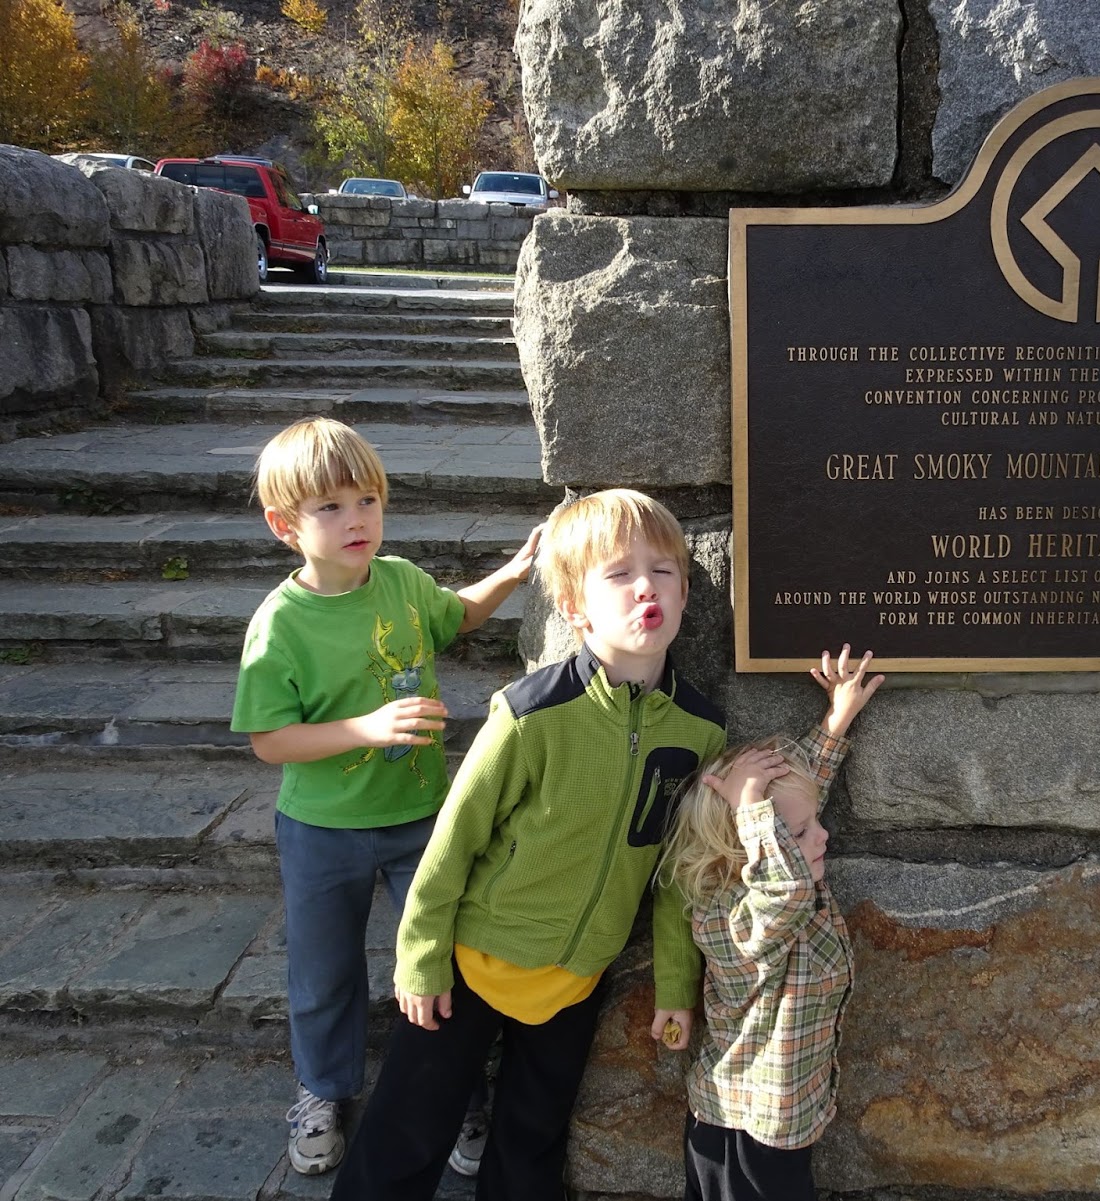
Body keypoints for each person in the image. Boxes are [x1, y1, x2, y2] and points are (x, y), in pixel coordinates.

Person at [330, 488, 726, 1201]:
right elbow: (452, 843)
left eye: (663, 570)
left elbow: (675, 871)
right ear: (574, 606)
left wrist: (675, 982)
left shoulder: (699, 730)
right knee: (406, 1133)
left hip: (576, 978)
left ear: (686, 589)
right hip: (471, 963)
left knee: (531, 1141)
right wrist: (420, 959)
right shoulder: (530, 714)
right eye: (619, 573)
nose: (646, 586)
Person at [230, 416, 538, 1176]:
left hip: (422, 819)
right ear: (284, 525)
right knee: (325, 967)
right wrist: (364, 727)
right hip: (322, 829)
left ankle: (456, 1089)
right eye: (329, 507)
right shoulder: (280, 625)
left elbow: (454, 615)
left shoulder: (400, 581)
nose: (356, 518)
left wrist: (512, 572)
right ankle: (323, 1089)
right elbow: (270, 740)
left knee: (441, 956)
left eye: (367, 498)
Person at [660, 645, 884, 1201]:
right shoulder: (733, 915)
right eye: (804, 833)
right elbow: (784, 887)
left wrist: (836, 718)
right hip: (750, 1122)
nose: (822, 835)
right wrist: (753, 809)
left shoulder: (773, 862)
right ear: (750, 843)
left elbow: (801, 797)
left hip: (765, 1112)